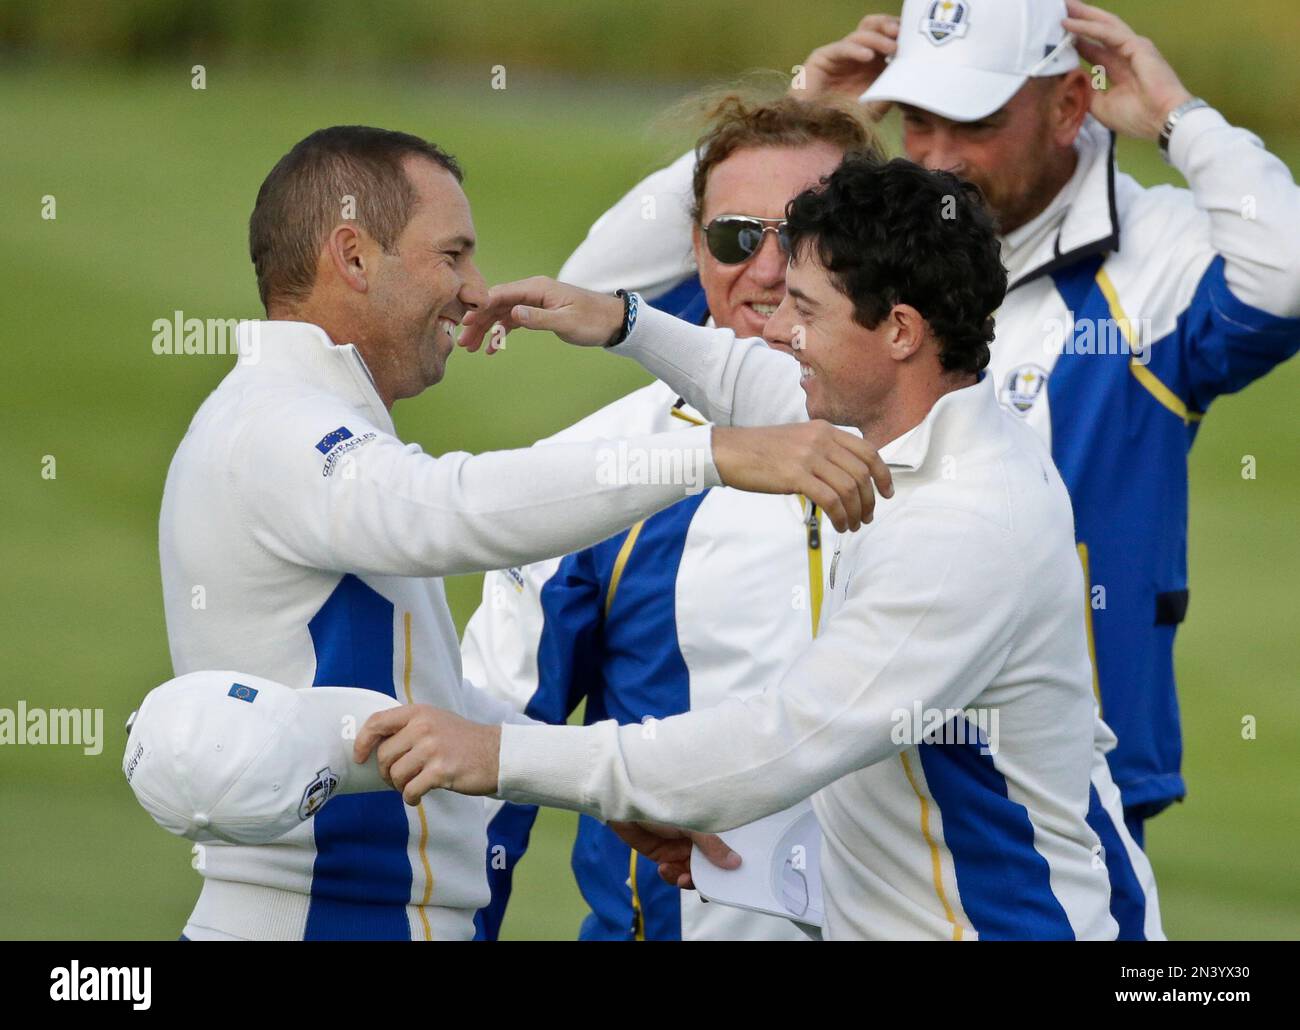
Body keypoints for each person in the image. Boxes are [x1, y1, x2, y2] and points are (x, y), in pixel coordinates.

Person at [555, 0, 1300, 848]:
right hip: (845, 757)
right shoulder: (852, 247)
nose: (941, 156)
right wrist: (804, 115)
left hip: (1054, 778)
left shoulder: (1158, 251)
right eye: (918, 119)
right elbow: (593, 283)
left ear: (1068, 105)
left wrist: (1178, 117)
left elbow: (1288, 277)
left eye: (974, 121)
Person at [358, 156, 1138, 941]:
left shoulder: (964, 534)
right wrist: (624, 322)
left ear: (900, 331)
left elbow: (774, 743)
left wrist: (500, 754)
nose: (774, 329)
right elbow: (753, 382)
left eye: (805, 310)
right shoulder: (921, 427)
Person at [156, 124, 886, 941]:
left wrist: (609, 794)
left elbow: (436, 710)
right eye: (453, 255)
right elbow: (448, 509)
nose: (475, 290)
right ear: (355, 257)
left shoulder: (302, 418)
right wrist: (713, 453)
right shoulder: (273, 427)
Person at [461, 94, 883, 942]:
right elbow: (486, 766)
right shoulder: (589, 474)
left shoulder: (956, 448)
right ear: (694, 250)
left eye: (808, 234)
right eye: (736, 237)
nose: (769, 271)